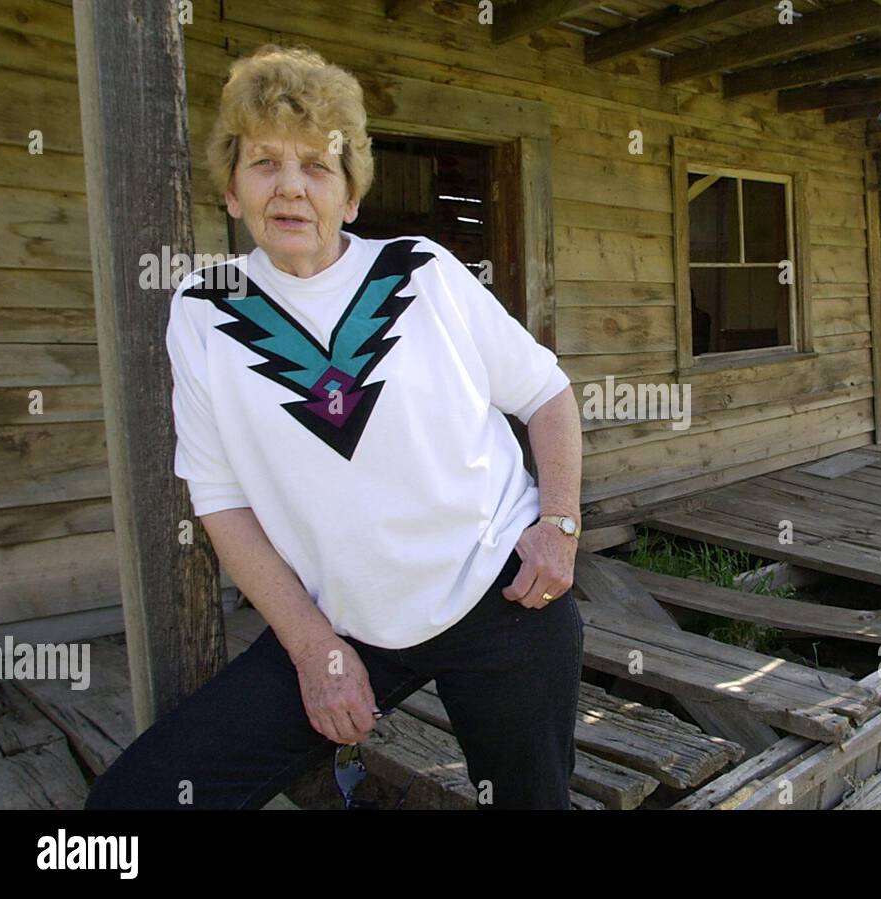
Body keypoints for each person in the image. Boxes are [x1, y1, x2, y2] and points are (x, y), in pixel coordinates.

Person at [84, 44, 585, 810]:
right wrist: (315, 647)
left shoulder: (419, 273)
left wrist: (559, 523)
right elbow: (220, 499)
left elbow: (547, 393)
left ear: (351, 196)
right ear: (230, 189)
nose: (290, 187)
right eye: (264, 163)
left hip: (500, 600)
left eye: (318, 166)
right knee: (133, 806)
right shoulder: (203, 310)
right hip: (340, 626)